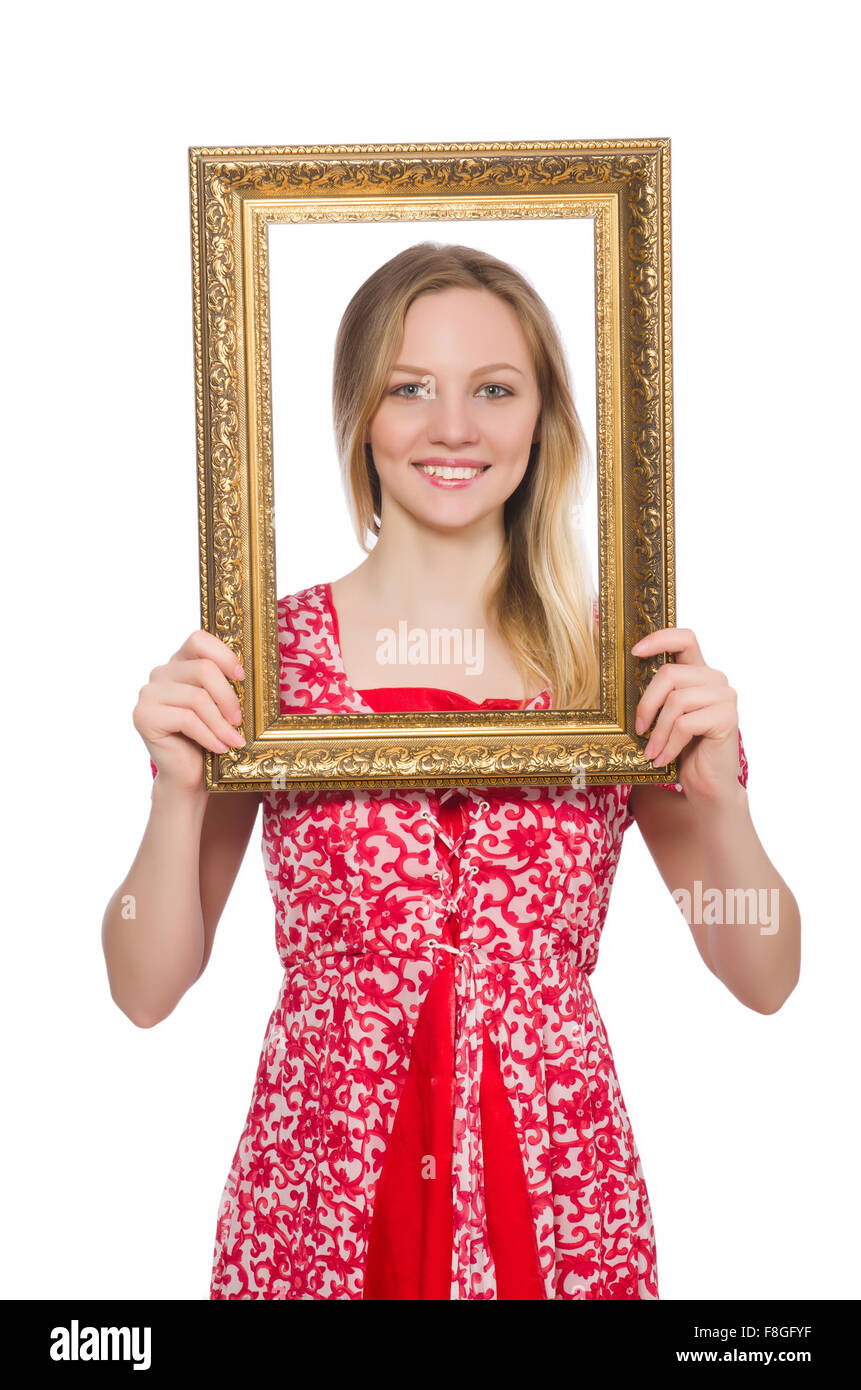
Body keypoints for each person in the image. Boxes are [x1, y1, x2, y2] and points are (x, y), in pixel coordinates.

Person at [102, 243, 800, 1300]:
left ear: (543, 418)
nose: (454, 428)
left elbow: (764, 975)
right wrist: (178, 791)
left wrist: (726, 802)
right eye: (411, 388)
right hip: (326, 1184)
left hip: (558, 1196)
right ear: (360, 416)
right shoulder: (267, 661)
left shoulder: (615, 672)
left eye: (494, 389)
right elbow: (143, 988)